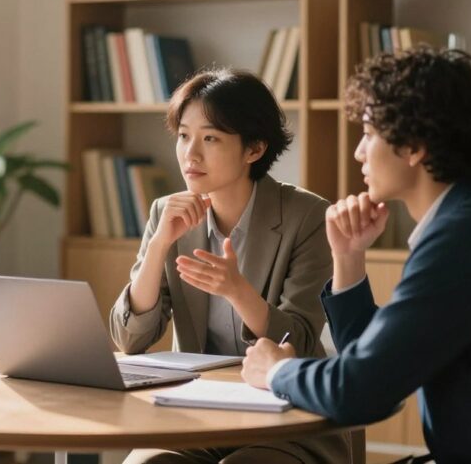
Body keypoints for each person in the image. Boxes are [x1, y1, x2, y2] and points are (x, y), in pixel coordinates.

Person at [242, 48, 471, 463]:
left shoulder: (465, 240)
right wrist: (348, 258)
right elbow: (376, 363)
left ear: (414, 147)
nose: (359, 152)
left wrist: (276, 371)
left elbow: (358, 393)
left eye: (370, 133)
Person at [109, 68, 349, 464]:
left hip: (286, 419)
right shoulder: (165, 213)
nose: (191, 153)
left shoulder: (307, 217)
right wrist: (158, 246)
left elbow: (302, 343)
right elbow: (129, 340)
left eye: (210, 139)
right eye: (184, 136)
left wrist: (237, 291)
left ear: (254, 149)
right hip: (195, 417)